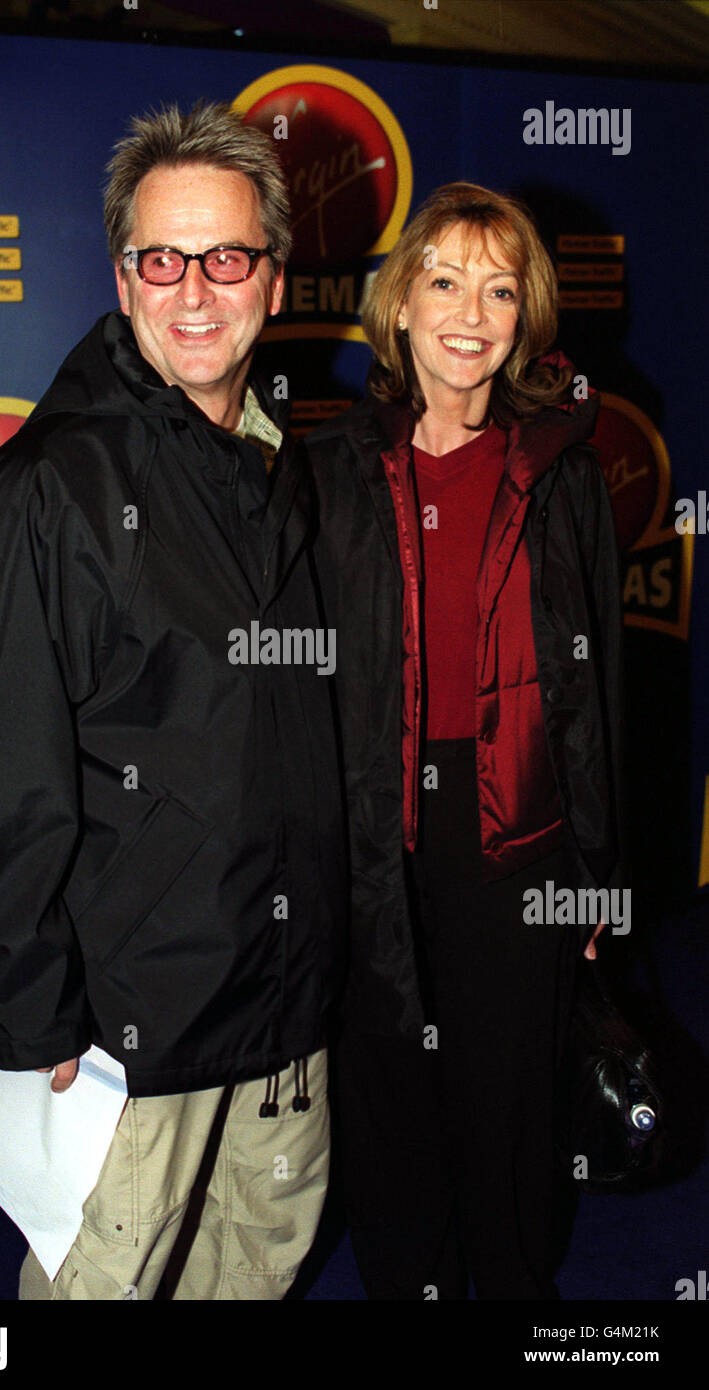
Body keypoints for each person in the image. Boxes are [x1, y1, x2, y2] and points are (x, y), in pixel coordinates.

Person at [0, 101, 347, 1301]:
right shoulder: (52, 488)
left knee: (255, 1274)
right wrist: (35, 1013)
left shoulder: (282, 462)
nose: (193, 291)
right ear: (122, 274)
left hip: (284, 1011)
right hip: (129, 1035)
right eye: (162, 257)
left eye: (225, 257)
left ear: (273, 275)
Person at [305, 182, 627, 1300]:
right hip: (375, 823)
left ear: (526, 316)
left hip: (519, 829)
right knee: (389, 1083)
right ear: (398, 308)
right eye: (442, 280)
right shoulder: (334, 471)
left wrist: (592, 872)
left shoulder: (562, 473)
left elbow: (596, 690)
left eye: (498, 287)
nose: (469, 310)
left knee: (509, 1090)